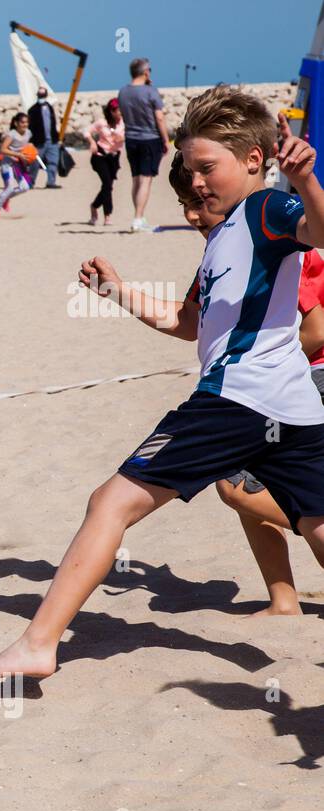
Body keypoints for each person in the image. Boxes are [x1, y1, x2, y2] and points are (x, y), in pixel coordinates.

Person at [0, 86, 324, 680]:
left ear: (256, 160)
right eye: (188, 171)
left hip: (237, 399)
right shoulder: (221, 240)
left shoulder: (265, 210)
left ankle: (39, 643)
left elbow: (318, 228)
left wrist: (307, 180)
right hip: (292, 409)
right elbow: (185, 322)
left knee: (110, 502)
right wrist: (117, 290)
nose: (197, 184)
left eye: (207, 168)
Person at [163, 155, 324, 616]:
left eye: (198, 199)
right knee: (245, 490)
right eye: (183, 203)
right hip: (275, 383)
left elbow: (316, 327)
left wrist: (271, 359)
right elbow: (188, 320)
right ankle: (284, 599)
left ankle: (289, 583)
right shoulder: (222, 246)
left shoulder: (268, 233)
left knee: (242, 489)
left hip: (303, 378)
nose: (193, 213)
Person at [118, 57, 169, 233]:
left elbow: (124, 115)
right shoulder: (150, 91)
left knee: (136, 179)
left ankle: (139, 215)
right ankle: (138, 218)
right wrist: (165, 139)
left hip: (131, 139)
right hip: (149, 138)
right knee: (146, 179)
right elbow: (159, 117)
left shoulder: (123, 92)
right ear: (145, 72)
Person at [85, 98, 125, 226]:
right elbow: (86, 132)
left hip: (114, 158)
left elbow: (131, 134)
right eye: (119, 110)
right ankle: (107, 215)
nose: (121, 113)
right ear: (112, 112)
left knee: (108, 187)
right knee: (107, 185)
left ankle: (94, 206)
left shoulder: (125, 123)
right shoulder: (102, 123)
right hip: (99, 156)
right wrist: (92, 142)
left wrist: (122, 137)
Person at [0, 113, 35, 219]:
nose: (25, 124)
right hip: (7, 164)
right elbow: (2, 149)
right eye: (22, 122)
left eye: (26, 122)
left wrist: (30, 149)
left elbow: (25, 146)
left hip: (19, 164)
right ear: (16, 123)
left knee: (25, 187)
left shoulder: (28, 133)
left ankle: (6, 199)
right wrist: (17, 154)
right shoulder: (12, 134)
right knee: (9, 188)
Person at [27, 86, 61, 188]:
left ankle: (51, 182)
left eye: (43, 95)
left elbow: (53, 123)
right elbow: (31, 127)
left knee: (53, 162)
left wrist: (58, 137)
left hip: (52, 140)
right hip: (39, 141)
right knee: (35, 163)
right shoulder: (32, 110)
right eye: (40, 95)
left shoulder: (50, 107)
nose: (41, 97)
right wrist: (31, 141)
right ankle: (30, 182)